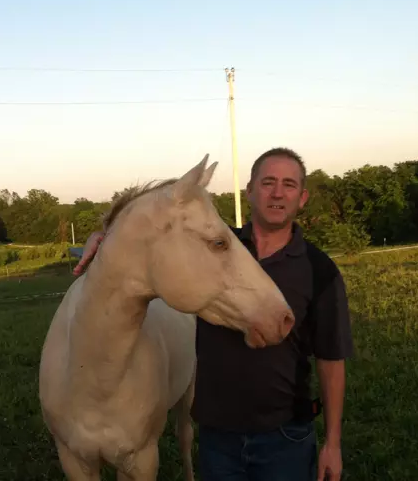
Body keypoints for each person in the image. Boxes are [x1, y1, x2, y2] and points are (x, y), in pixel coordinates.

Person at [72, 148, 354, 481]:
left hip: (285, 436)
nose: (278, 192)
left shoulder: (319, 269)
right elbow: (159, 250)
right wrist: (104, 240)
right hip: (218, 437)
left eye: (289, 184)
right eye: (268, 182)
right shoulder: (211, 247)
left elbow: (332, 361)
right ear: (249, 191)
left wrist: (332, 443)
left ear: (302, 197)